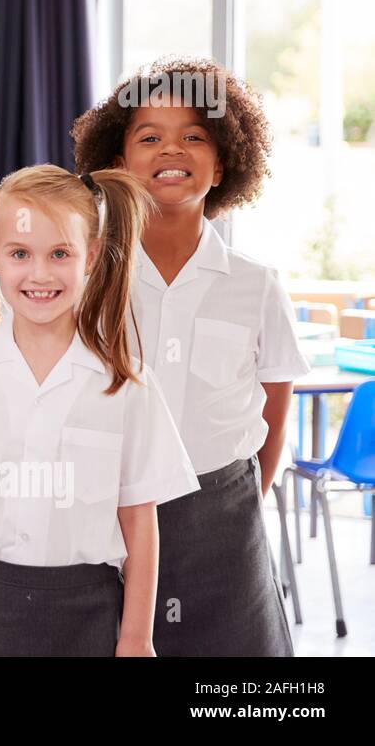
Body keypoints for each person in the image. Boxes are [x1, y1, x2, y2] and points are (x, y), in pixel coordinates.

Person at [0, 165, 198, 656]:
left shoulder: (130, 384)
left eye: (60, 253)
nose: (40, 274)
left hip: (93, 614)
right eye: (21, 253)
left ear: (92, 257)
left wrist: (136, 637)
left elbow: (139, 519)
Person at [72, 57, 308, 655]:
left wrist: (243, 497)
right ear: (119, 161)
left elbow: (275, 403)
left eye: (193, 136)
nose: (169, 150)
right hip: (109, 504)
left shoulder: (255, 284)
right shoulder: (87, 276)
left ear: (224, 159)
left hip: (223, 517)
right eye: (148, 137)